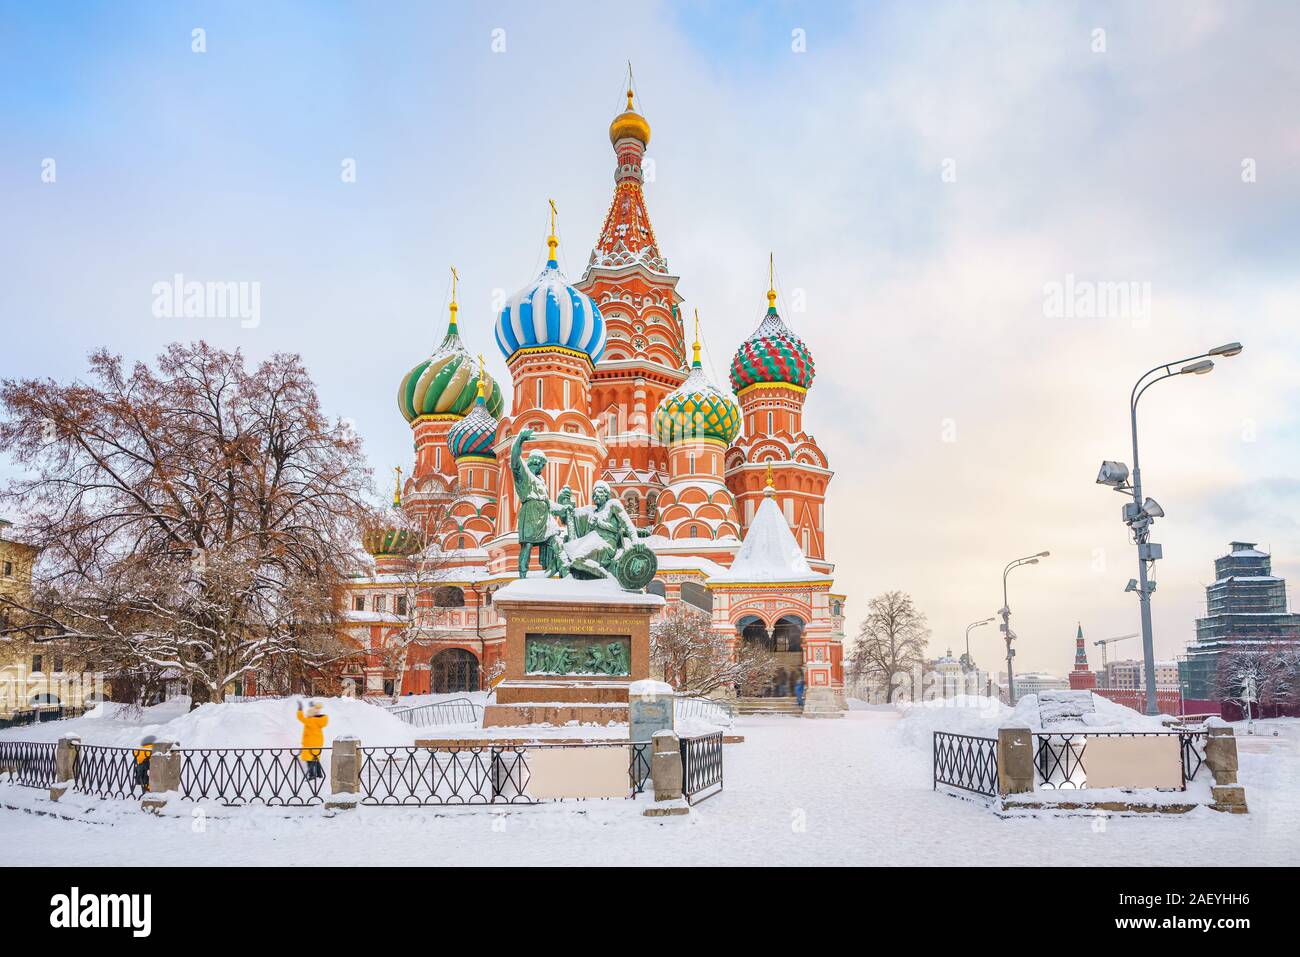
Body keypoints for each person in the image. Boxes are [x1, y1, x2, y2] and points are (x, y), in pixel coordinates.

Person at [296, 699, 328, 781]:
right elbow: (316, 712)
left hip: (309, 743)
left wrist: (300, 709)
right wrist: (312, 707)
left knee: (309, 760)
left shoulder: (310, 720)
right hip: (318, 742)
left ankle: (312, 776)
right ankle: (319, 774)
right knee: (316, 758)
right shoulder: (319, 720)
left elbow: (300, 718)